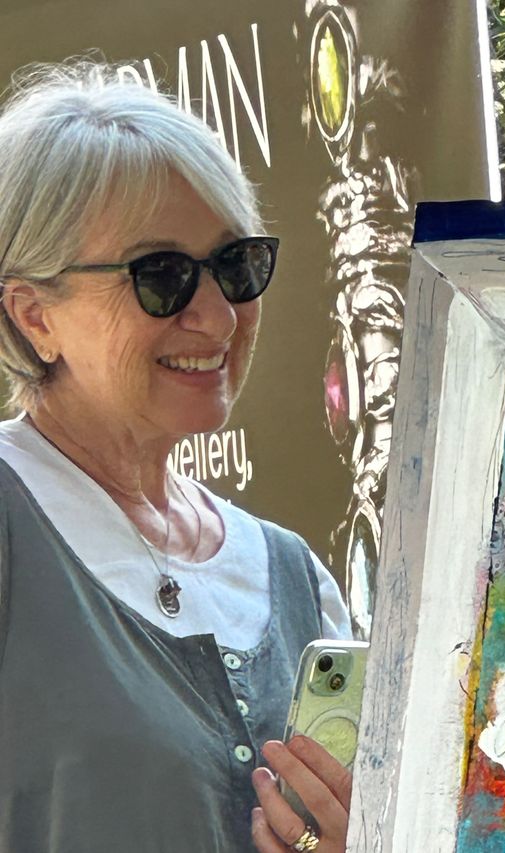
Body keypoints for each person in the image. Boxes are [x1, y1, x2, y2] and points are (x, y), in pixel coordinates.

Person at [0, 60, 353, 853]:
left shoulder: (295, 577)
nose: (218, 316)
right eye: (161, 276)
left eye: (236, 264)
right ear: (33, 316)